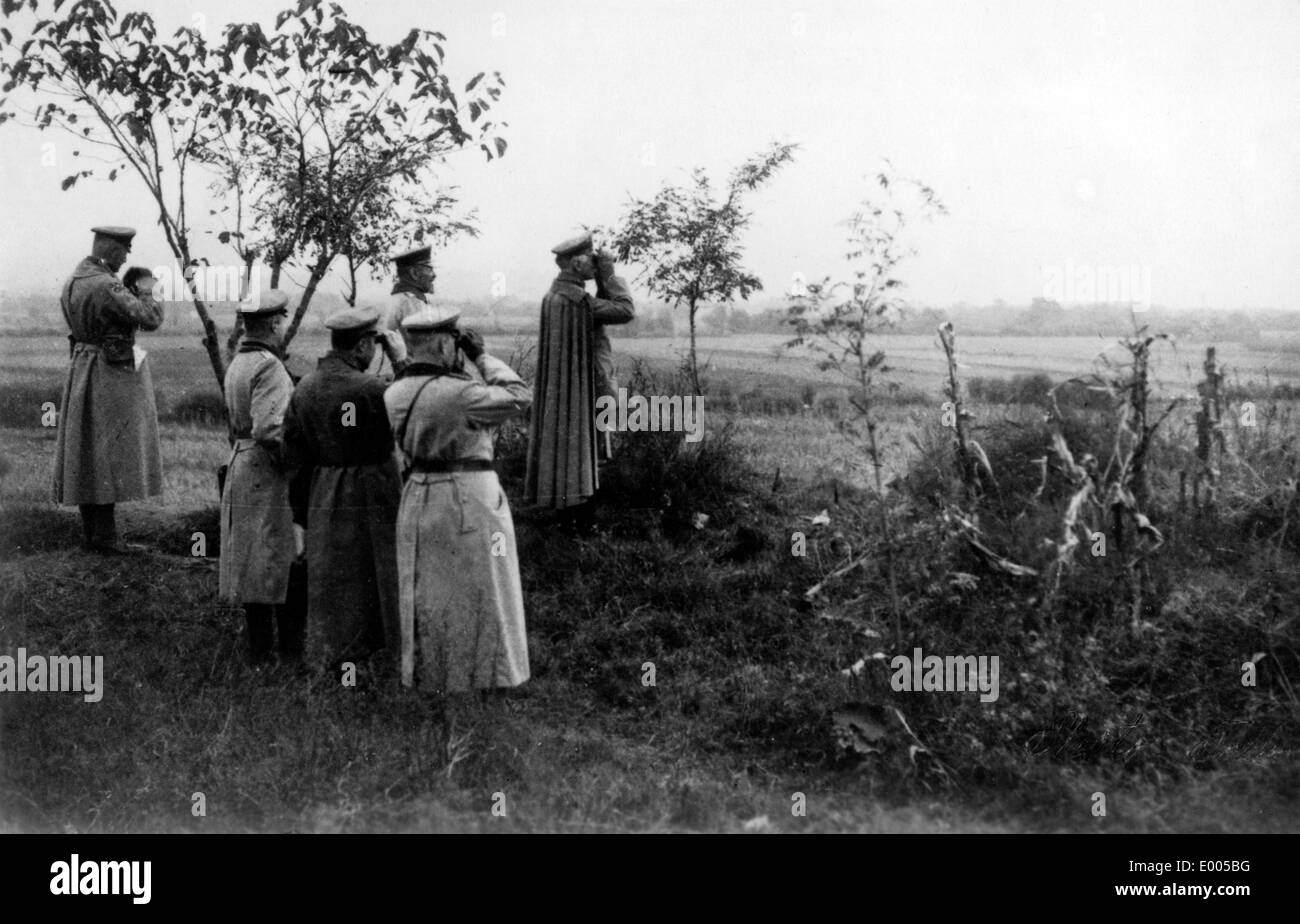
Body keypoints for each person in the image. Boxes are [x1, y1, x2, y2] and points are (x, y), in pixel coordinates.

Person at [383, 306, 533, 695]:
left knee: (430, 593)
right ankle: (489, 676)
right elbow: (520, 396)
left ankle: (434, 676)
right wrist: (482, 356)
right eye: (453, 339)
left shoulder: (395, 392)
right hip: (469, 496)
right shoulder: (462, 393)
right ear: (441, 342)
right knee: (484, 589)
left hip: (418, 496)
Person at [283, 306, 401, 674]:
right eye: (372, 345)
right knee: (377, 573)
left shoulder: (305, 386)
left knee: (334, 578)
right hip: (373, 491)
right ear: (364, 345)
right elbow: (416, 410)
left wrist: (302, 511)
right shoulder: (372, 389)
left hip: (325, 492)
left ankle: (335, 659)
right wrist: (401, 360)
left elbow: (294, 455)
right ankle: (376, 658)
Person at [52, 227, 165, 553]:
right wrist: (148, 287)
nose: (127, 257)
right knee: (109, 455)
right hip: (108, 373)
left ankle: (94, 535)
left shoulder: (73, 280)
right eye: (124, 250)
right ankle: (106, 539)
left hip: (83, 366)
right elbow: (150, 317)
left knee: (87, 452)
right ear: (109, 249)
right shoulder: (107, 284)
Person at [523, 231, 635, 519]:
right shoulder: (577, 301)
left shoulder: (555, 295)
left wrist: (598, 279)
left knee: (567, 444)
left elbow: (599, 312)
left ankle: (566, 505)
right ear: (576, 264)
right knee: (581, 445)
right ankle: (579, 511)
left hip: (562, 391)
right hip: (579, 392)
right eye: (590, 261)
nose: (594, 265)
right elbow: (624, 310)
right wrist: (609, 275)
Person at [219, 290, 302, 664]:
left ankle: (260, 652)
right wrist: (299, 465)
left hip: (242, 461)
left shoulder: (240, 360)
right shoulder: (269, 365)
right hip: (266, 470)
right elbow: (270, 430)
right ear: (273, 323)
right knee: (279, 559)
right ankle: (284, 654)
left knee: (254, 561)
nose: (282, 327)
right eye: (281, 321)